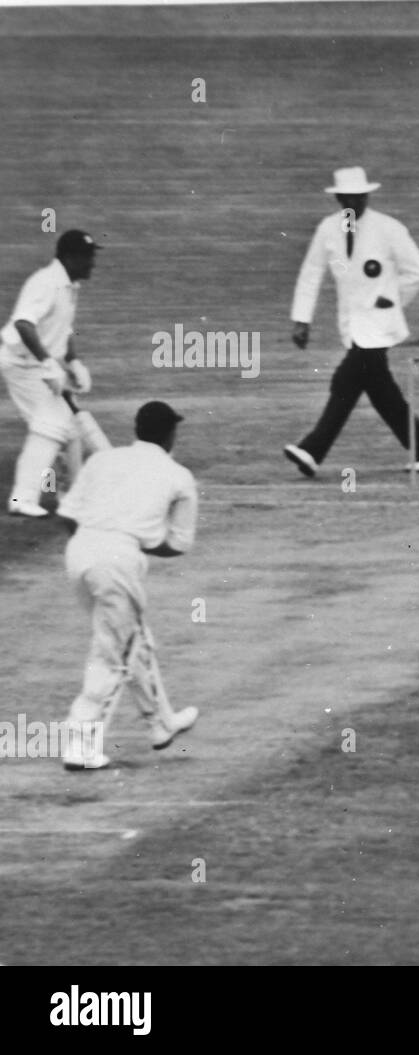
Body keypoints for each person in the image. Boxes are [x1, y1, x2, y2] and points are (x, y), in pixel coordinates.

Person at [56, 401, 199, 771]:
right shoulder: (179, 476)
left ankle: (161, 722)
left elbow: (68, 514)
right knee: (112, 654)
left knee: (134, 641)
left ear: (137, 429)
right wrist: (137, 539)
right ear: (171, 435)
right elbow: (178, 545)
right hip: (118, 561)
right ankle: (80, 745)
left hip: (80, 552)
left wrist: (101, 537)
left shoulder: (102, 461)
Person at [283, 166, 419, 477]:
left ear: (367, 196)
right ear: (338, 198)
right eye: (347, 198)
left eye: (359, 197)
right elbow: (311, 274)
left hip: (380, 325)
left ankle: (313, 449)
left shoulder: (389, 228)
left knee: (345, 381)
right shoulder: (328, 229)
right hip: (352, 326)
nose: (354, 203)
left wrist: (392, 299)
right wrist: (302, 319)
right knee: (380, 391)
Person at [1, 230, 98, 517]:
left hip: (37, 365)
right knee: (51, 427)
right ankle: (22, 499)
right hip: (21, 364)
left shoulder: (69, 284)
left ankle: (75, 496)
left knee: (69, 429)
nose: (92, 264)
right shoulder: (47, 282)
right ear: (69, 257)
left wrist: (74, 361)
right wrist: (48, 363)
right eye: (88, 258)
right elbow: (23, 324)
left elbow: (62, 328)